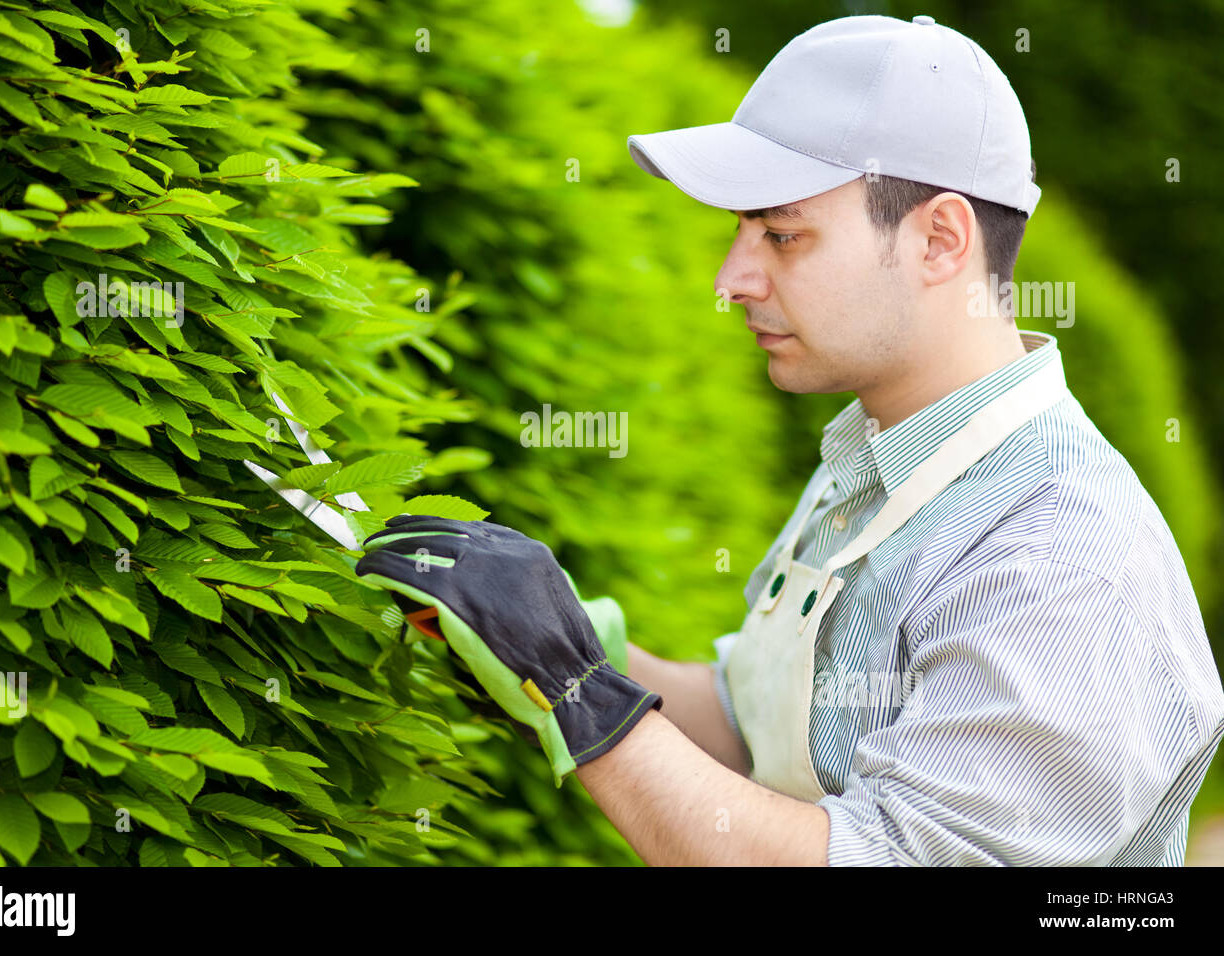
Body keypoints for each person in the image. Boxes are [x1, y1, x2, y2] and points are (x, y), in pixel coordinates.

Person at [355, 14, 1224, 866]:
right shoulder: (878, 461)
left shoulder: (1065, 561)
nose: (731, 279)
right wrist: (561, 639)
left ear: (939, 240)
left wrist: (581, 696)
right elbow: (756, 730)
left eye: (782, 232)